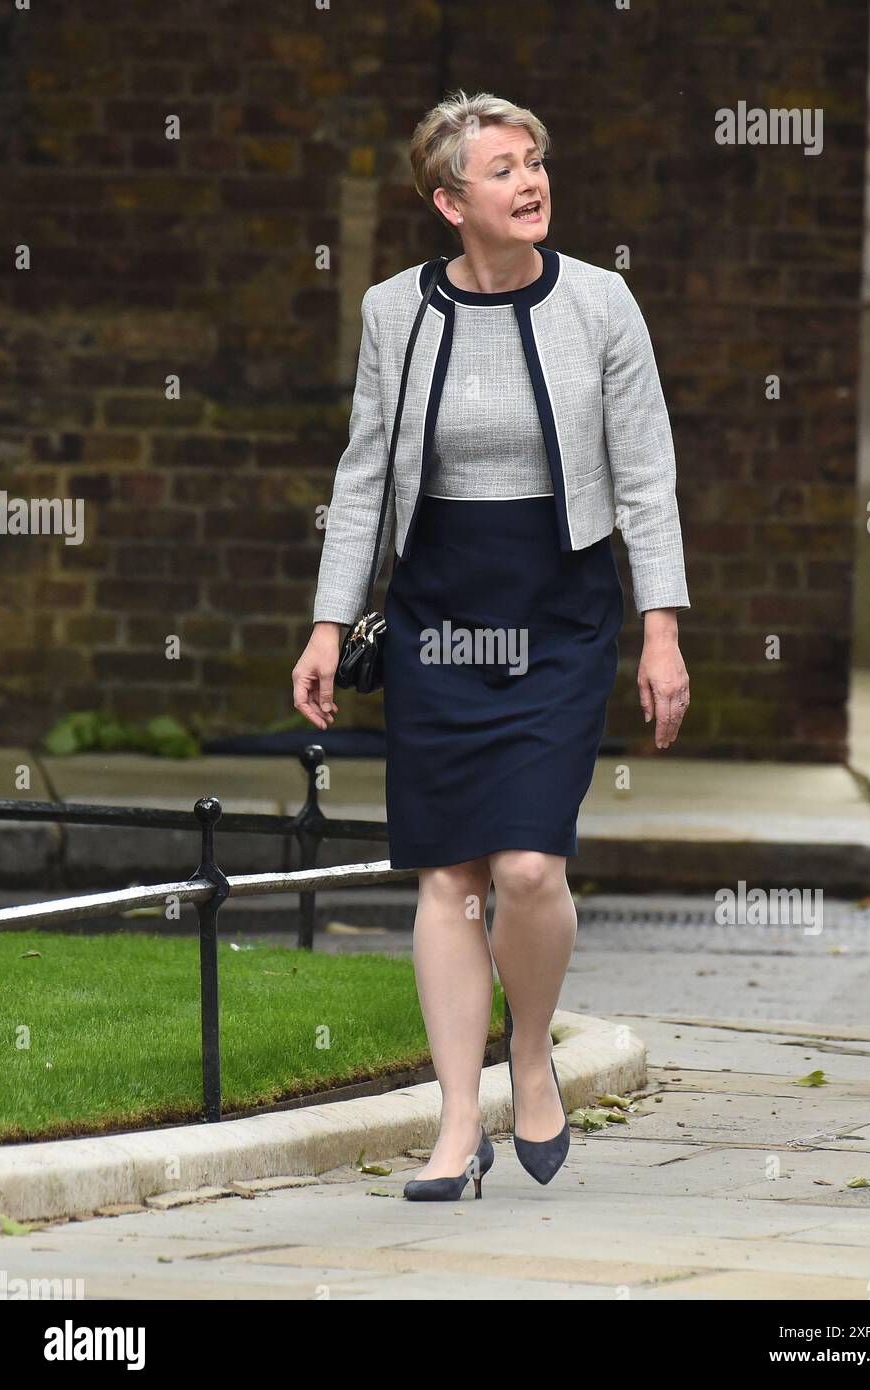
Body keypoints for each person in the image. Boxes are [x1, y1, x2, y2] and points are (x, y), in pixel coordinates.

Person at [292, 89, 690, 1199]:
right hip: (438, 615)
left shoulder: (603, 305)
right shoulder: (393, 312)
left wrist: (662, 633)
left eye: (535, 161)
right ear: (448, 199)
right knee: (448, 877)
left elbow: (647, 478)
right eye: (504, 168)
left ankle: (532, 1050)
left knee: (526, 866)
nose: (530, 181)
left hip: (561, 610)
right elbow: (364, 474)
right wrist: (330, 623)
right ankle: (458, 1127)